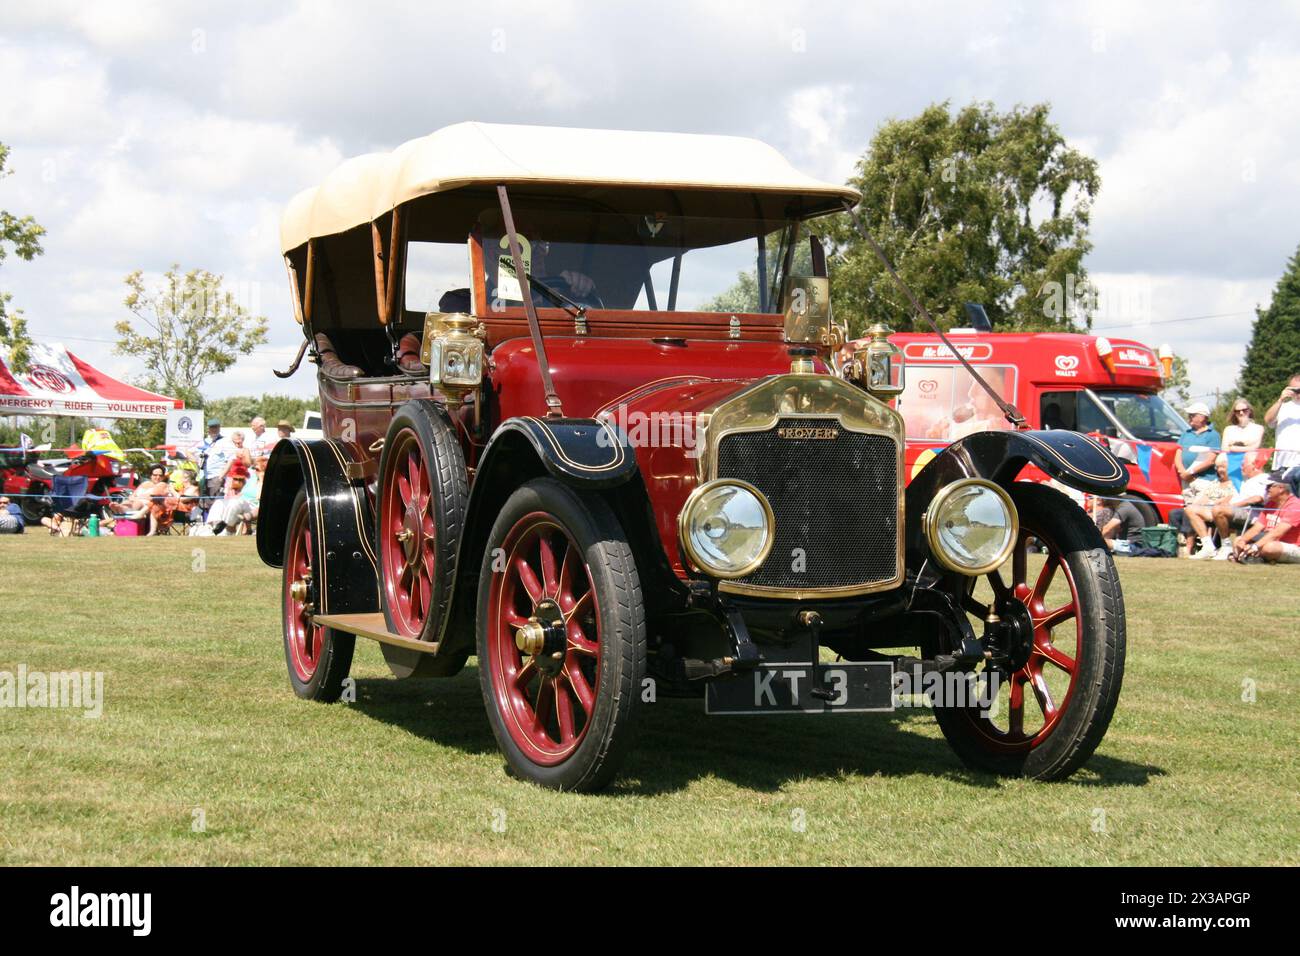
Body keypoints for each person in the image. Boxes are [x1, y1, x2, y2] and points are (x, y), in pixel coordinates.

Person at [1208, 451, 1271, 559]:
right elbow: (1235, 496)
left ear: (1254, 465)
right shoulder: (1246, 480)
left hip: (1250, 513)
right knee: (1192, 510)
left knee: (1218, 510)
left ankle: (1226, 546)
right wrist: (1221, 502)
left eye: (1243, 464)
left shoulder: (1264, 478)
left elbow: (1258, 498)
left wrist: (1234, 505)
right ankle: (1207, 547)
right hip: (1234, 510)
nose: (1241, 467)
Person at [1173, 454, 1236, 558]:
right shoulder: (1215, 483)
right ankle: (1207, 546)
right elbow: (1203, 497)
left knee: (1214, 510)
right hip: (1209, 509)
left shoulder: (1234, 484)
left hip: (1225, 510)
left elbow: (1231, 498)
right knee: (1189, 509)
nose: (1220, 470)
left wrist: (1214, 503)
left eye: (1223, 467)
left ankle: (1190, 547)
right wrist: (1198, 504)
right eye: (1218, 467)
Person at [1231, 471, 1300, 564]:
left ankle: (1250, 555)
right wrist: (1243, 541)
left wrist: (1255, 546)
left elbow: (1277, 532)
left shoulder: (1295, 505)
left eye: (1269, 486)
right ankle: (1250, 556)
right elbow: (1257, 528)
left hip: (1292, 546)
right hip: (1270, 542)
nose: (1266, 489)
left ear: (1281, 488)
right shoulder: (1270, 504)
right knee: (1238, 540)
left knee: (1269, 548)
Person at [1174, 401, 1220, 486]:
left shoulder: (1213, 435)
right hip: (1185, 479)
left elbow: (1210, 460)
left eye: (1192, 415)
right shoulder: (1185, 433)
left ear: (1202, 417)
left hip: (1205, 480)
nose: (1189, 417)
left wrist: (1190, 472)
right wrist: (1183, 472)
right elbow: (1178, 454)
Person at [1264, 373, 1300, 470]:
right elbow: (1268, 420)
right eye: (1295, 390)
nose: (1298, 393)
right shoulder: (1283, 407)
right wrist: (1280, 400)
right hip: (1283, 463)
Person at [198, 418, 229, 504]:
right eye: (212, 427)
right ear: (208, 428)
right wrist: (196, 460)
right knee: (205, 504)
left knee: (216, 504)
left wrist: (221, 476)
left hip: (216, 477)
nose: (214, 429)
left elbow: (231, 460)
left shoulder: (225, 441)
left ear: (219, 428)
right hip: (204, 477)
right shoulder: (204, 441)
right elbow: (189, 451)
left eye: (216, 427)